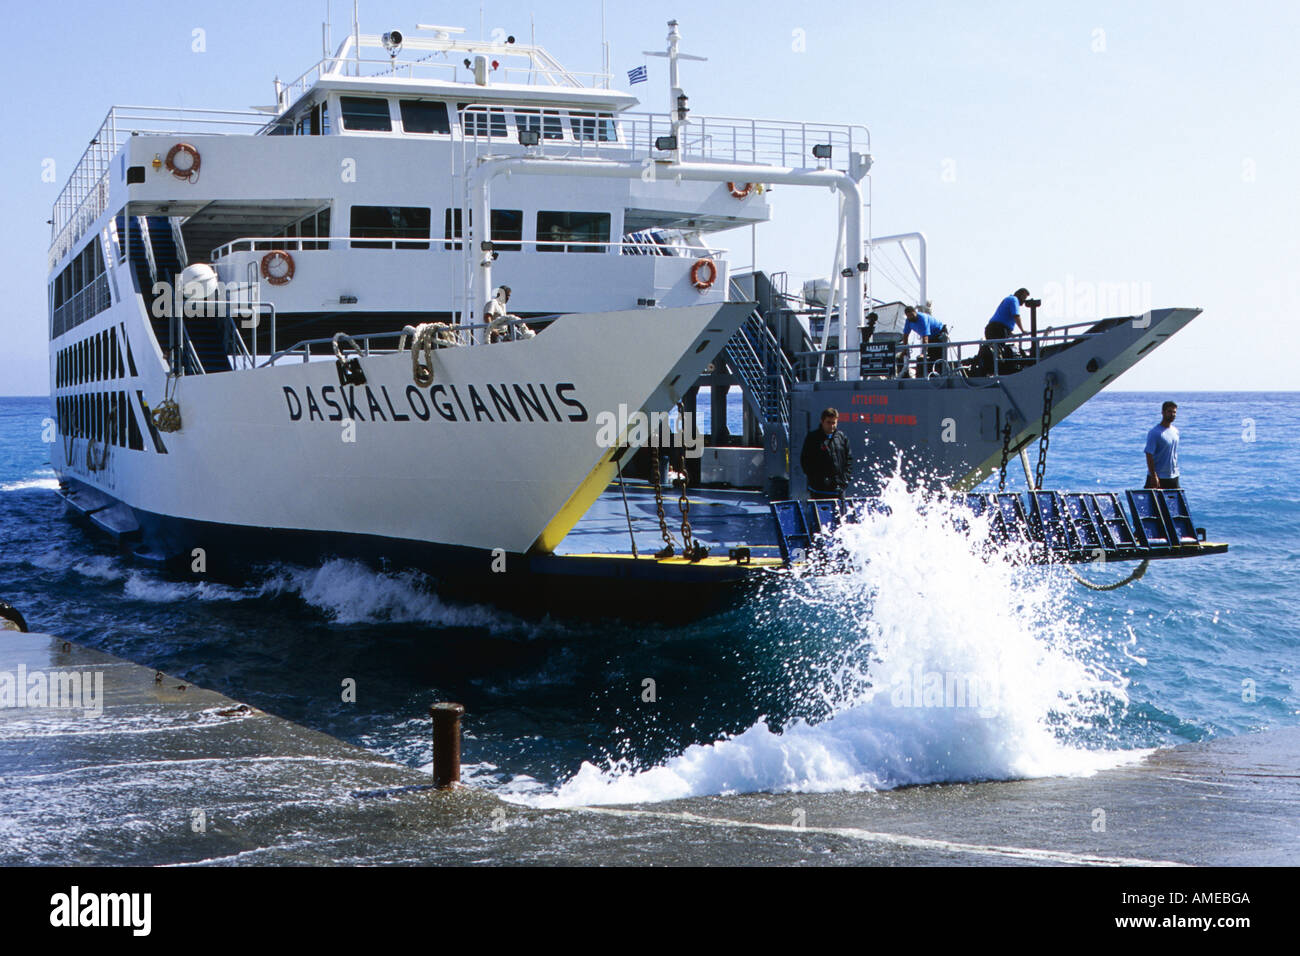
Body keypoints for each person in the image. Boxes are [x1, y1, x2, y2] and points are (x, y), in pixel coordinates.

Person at [800, 407, 852, 500]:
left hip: (839, 489)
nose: (831, 426)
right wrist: (816, 479)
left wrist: (845, 479)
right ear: (822, 421)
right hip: (819, 490)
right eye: (828, 422)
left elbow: (849, 460)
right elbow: (805, 461)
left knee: (840, 514)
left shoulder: (841, 437)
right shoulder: (813, 438)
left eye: (834, 423)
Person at [977, 287, 1029, 375]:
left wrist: (1009, 332)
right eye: (1024, 298)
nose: (1024, 302)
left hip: (993, 328)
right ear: (1019, 295)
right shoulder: (1014, 300)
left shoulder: (1008, 299)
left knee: (995, 350)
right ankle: (994, 370)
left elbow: (1004, 318)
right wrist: (1023, 330)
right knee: (997, 352)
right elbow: (1016, 316)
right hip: (997, 329)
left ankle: (990, 370)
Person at [902, 305, 949, 377]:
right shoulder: (908, 321)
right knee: (931, 356)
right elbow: (905, 335)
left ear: (915, 312)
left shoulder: (922, 318)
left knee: (937, 356)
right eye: (908, 316)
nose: (911, 317)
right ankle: (930, 374)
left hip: (939, 333)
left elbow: (925, 338)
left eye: (912, 315)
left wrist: (924, 353)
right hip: (931, 337)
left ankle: (940, 375)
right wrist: (904, 349)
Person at [1144, 401, 1180, 489]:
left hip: (1173, 476)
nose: (1172, 414)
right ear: (1163, 412)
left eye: (1174, 412)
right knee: (1152, 503)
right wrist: (1154, 476)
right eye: (1169, 411)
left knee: (1176, 502)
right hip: (1158, 477)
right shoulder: (1155, 432)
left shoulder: (1175, 431)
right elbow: (1149, 454)